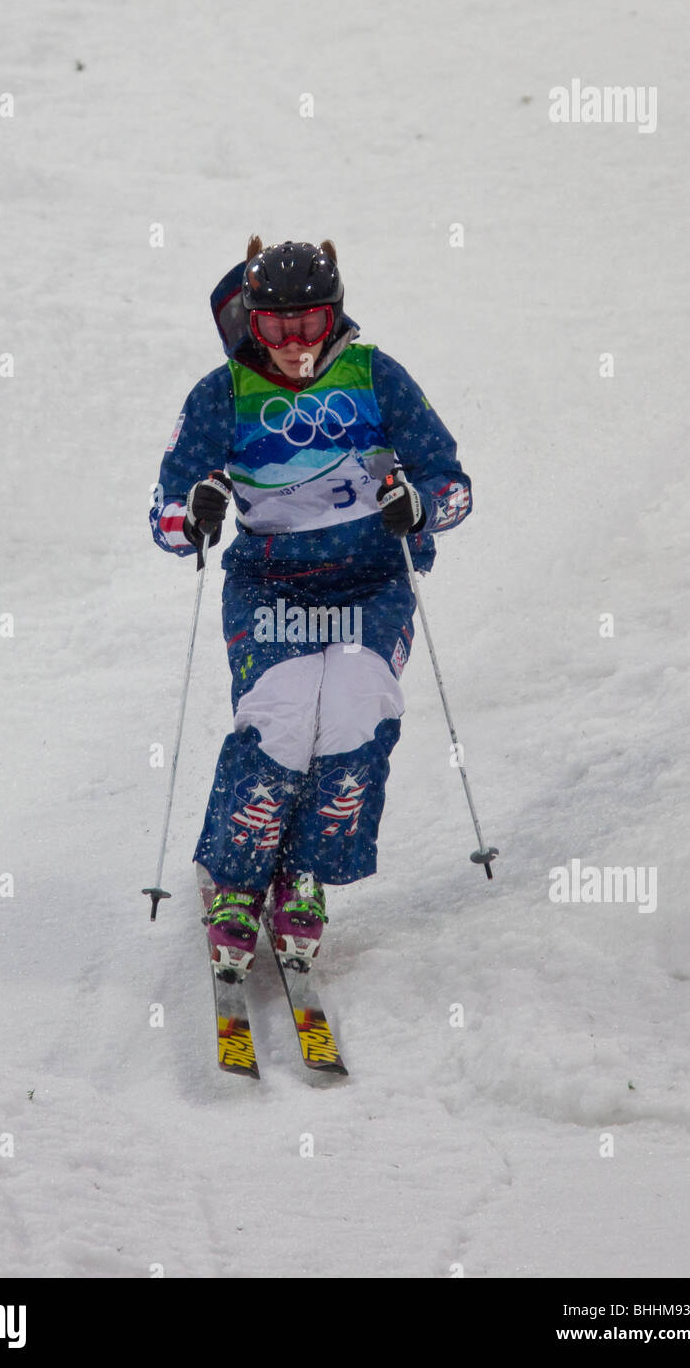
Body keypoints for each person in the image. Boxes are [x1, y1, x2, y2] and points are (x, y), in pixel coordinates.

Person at [150, 237, 472, 979]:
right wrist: (192, 516)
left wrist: (418, 506)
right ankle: (236, 879)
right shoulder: (222, 392)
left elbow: (453, 484)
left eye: (312, 323)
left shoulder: (374, 375)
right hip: (273, 585)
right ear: (250, 321)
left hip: (372, 580)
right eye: (276, 328)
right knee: (285, 715)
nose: (295, 345)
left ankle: (303, 871)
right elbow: (165, 510)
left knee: (357, 712)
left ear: (337, 314)